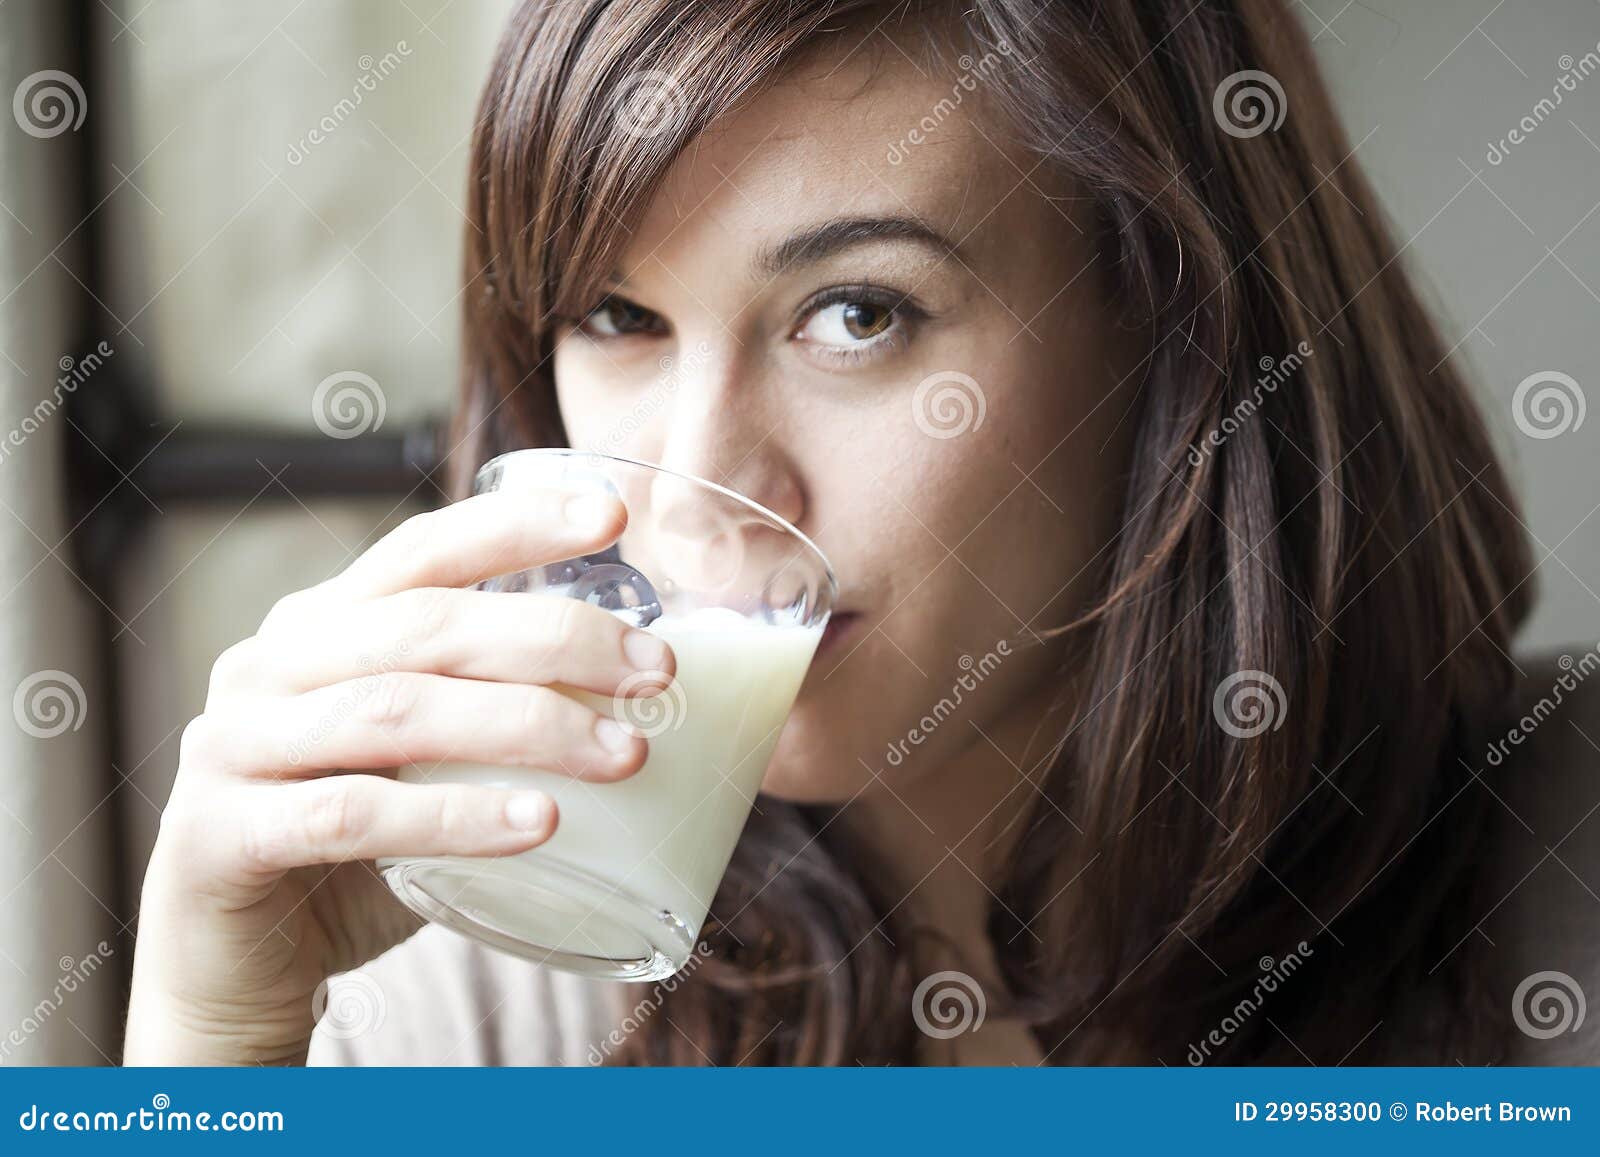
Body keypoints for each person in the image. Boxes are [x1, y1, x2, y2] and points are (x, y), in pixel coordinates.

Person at [124, 0, 1600, 1067]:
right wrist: (210, 1034)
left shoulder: (1555, 887)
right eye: (617, 316)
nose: (693, 489)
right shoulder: (480, 997)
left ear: (1176, 339)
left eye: (857, 315)